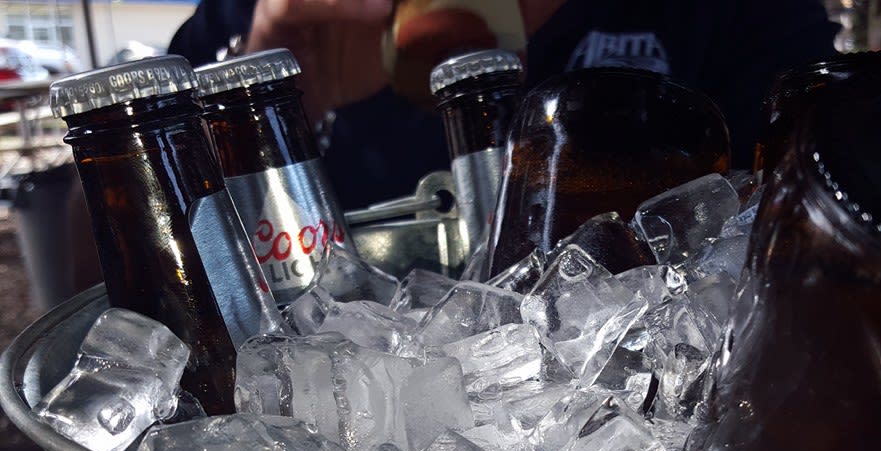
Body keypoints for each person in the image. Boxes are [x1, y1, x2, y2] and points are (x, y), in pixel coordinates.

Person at [169, 0, 838, 212]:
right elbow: (99, 278)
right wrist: (259, 98)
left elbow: (813, 217)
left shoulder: (743, 12)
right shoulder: (279, 12)